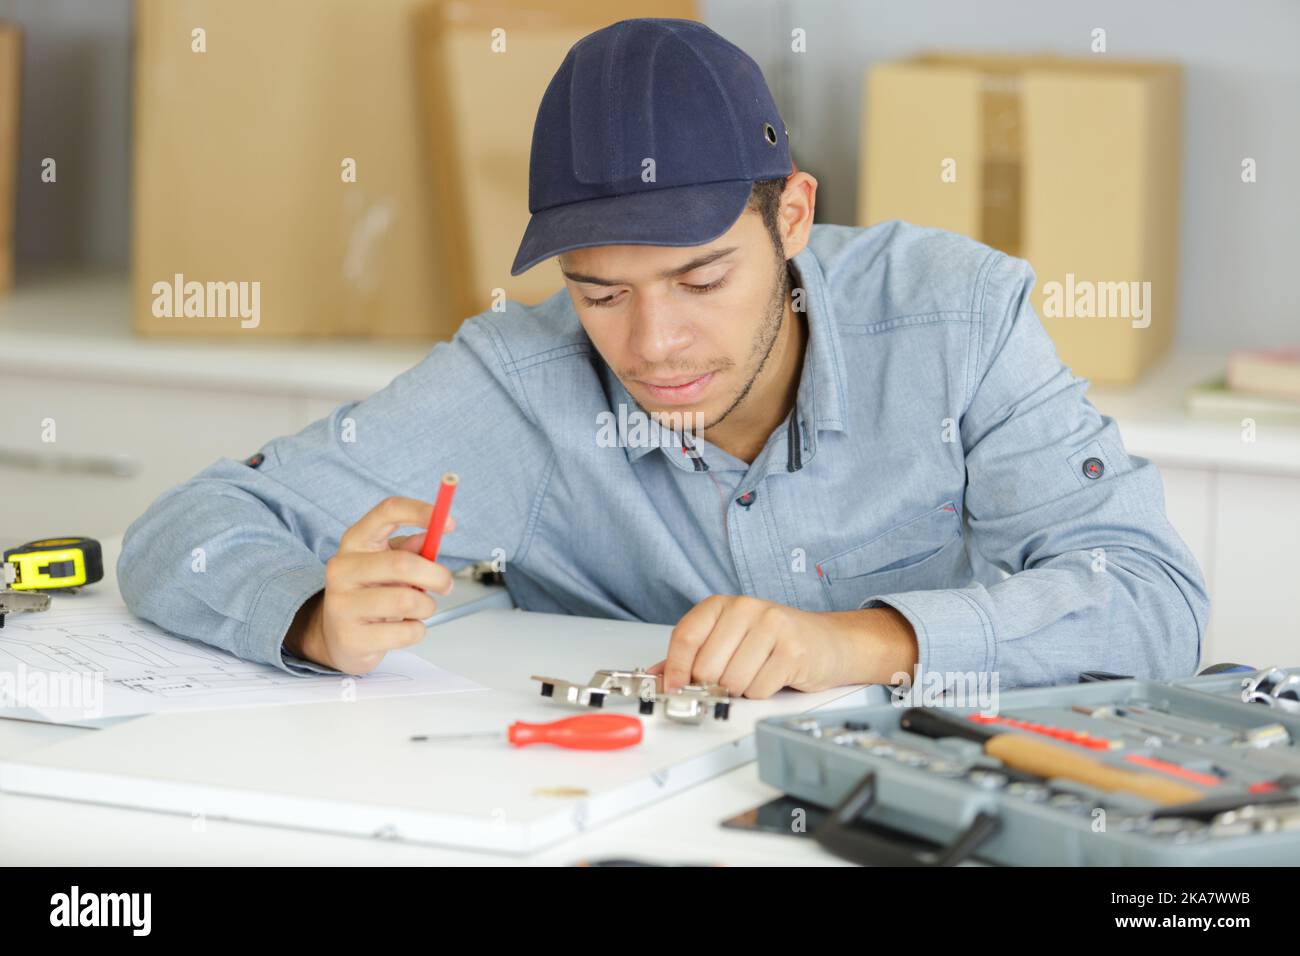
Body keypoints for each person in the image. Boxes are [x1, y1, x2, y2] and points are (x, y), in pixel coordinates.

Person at [118, 18, 1208, 697]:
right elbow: (185, 529)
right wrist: (310, 613)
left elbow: (1149, 597)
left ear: (791, 215)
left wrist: (856, 642)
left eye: (699, 280)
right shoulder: (518, 379)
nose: (653, 345)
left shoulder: (955, 319)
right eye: (600, 291)